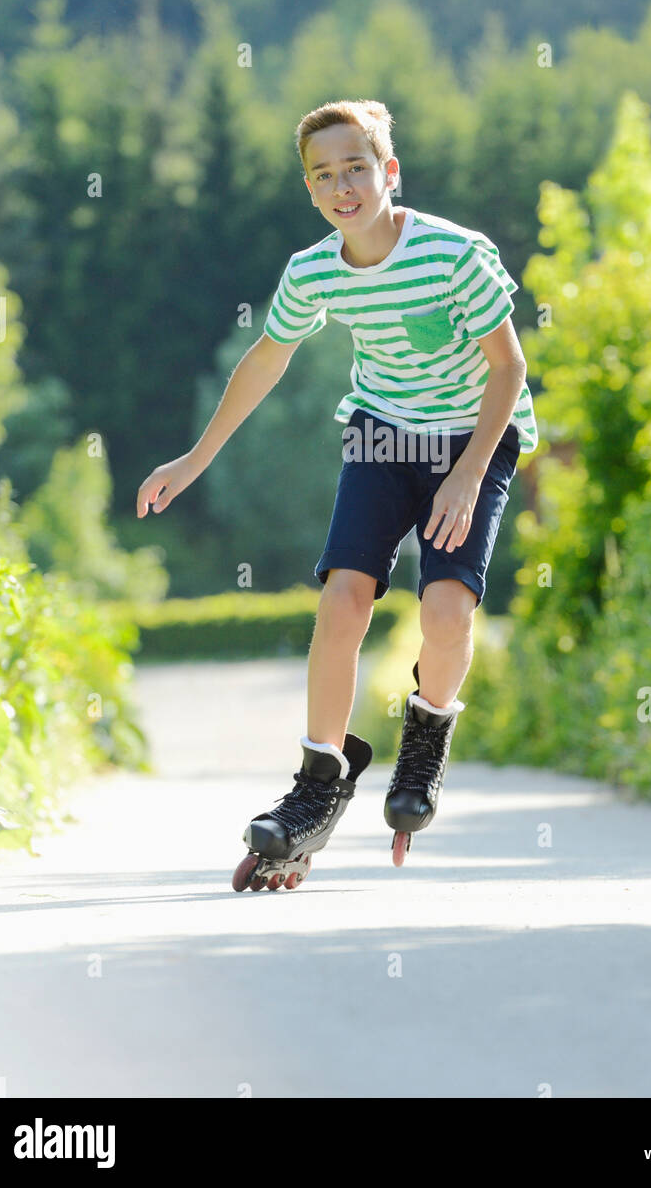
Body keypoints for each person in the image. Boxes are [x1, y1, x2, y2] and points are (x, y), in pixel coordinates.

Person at [136, 98, 538, 888]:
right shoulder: (313, 269)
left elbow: (509, 369)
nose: (342, 185)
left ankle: (425, 738)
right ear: (311, 191)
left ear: (388, 172)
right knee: (342, 601)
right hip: (382, 435)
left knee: (446, 610)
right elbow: (265, 359)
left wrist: (464, 474)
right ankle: (316, 784)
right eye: (323, 175)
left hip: (474, 437)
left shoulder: (452, 255)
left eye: (356, 167)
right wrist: (194, 459)